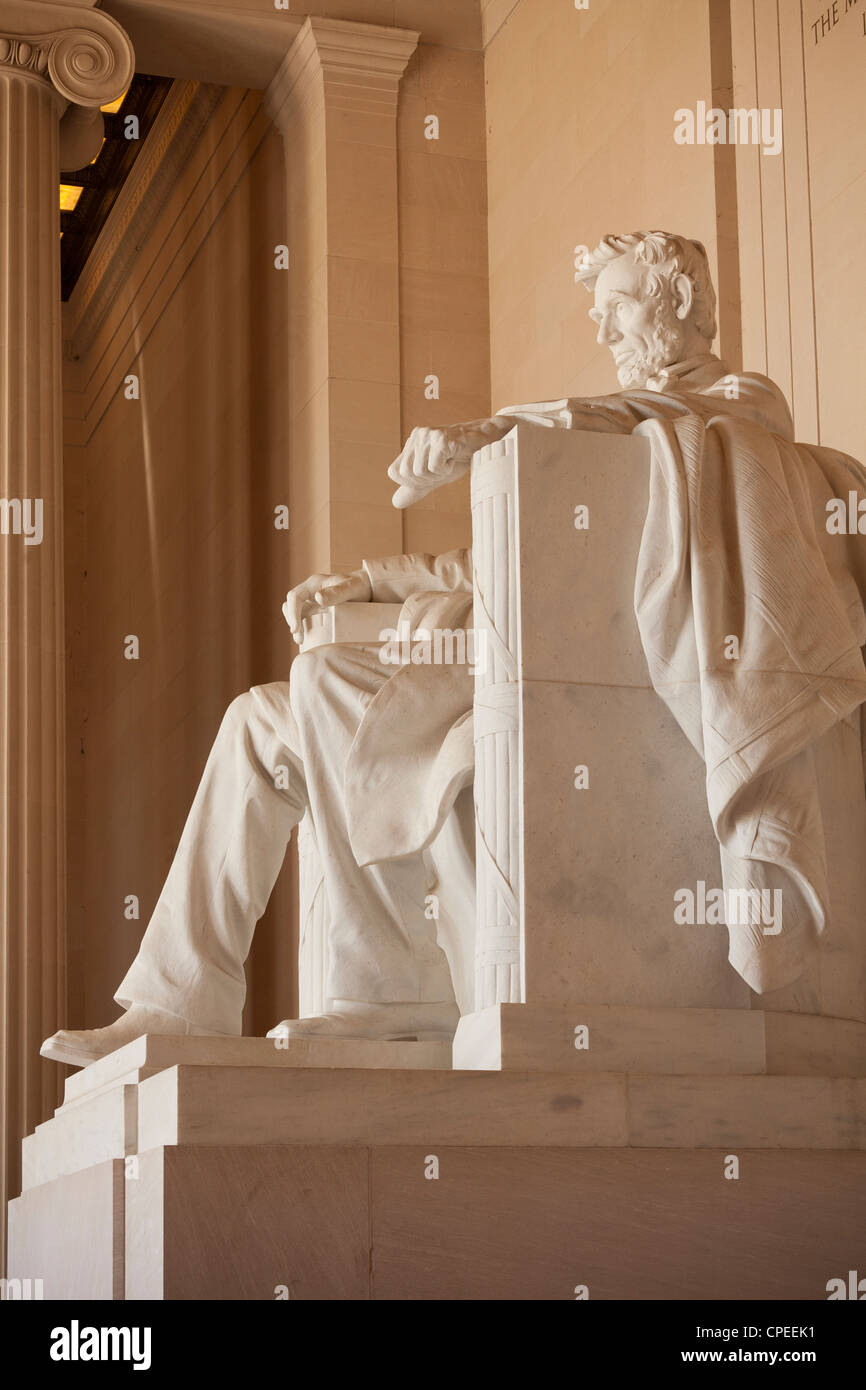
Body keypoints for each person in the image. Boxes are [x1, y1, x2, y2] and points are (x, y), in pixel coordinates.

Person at [41, 231, 800, 1067]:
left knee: (325, 678)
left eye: (617, 304)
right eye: (598, 311)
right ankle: (175, 1002)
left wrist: (493, 431)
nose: (603, 329)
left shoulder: (734, 406)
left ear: (681, 302)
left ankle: (391, 992)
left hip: (589, 679)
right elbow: (480, 566)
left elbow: (645, 416)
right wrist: (365, 582)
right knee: (255, 721)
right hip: (502, 658)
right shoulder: (603, 431)